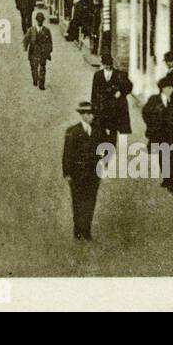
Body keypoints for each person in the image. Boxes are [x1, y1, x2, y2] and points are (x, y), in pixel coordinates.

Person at [63, 100, 109, 240]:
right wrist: (67, 173)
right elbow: (67, 154)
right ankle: (78, 230)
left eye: (91, 114)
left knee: (90, 201)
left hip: (93, 173)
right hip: (77, 174)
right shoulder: (73, 131)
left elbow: (107, 148)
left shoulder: (99, 131)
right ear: (81, 115)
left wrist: (103, 163)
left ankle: (87, 231)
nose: (89, 117)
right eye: (86, 114)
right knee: (77, 201)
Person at [142, 73, 173, 202]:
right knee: (163, 156)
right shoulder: (154, 100)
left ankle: (170, 181)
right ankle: (167, 178)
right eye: (168, 88)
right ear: (162, 88)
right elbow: (145, 113)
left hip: (172, 134)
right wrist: (152, 125)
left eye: (171, 88)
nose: (170, 90)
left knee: (172, 156)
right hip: (159, 134)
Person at [89, 52, 133, 144]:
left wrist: (121, 92)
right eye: (105, 65)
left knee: (113, 130)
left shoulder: (120, 75)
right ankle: (104, 149)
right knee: (101, 129)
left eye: (109, 65)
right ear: (103, 64)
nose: (107, 67)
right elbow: (94, 93)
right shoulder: (98, 75)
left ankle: (111, 149)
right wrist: (93, 108)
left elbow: (129, 86)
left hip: (115, 108)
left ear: (111, 64)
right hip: (102, 107)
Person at [23, 11, 54, 90]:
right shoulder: (31, 30)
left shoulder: (46, 30)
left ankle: (41, 83)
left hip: (43, 52)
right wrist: (25, 46)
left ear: (43, 21)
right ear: (36, 21)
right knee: (34, 67)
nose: (40, 22)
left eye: (41, 21)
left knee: (42, 68)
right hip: (33, 51)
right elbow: (26, 39)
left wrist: (49, 50)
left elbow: (50, 42)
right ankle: (35, 78)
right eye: (39, 21)